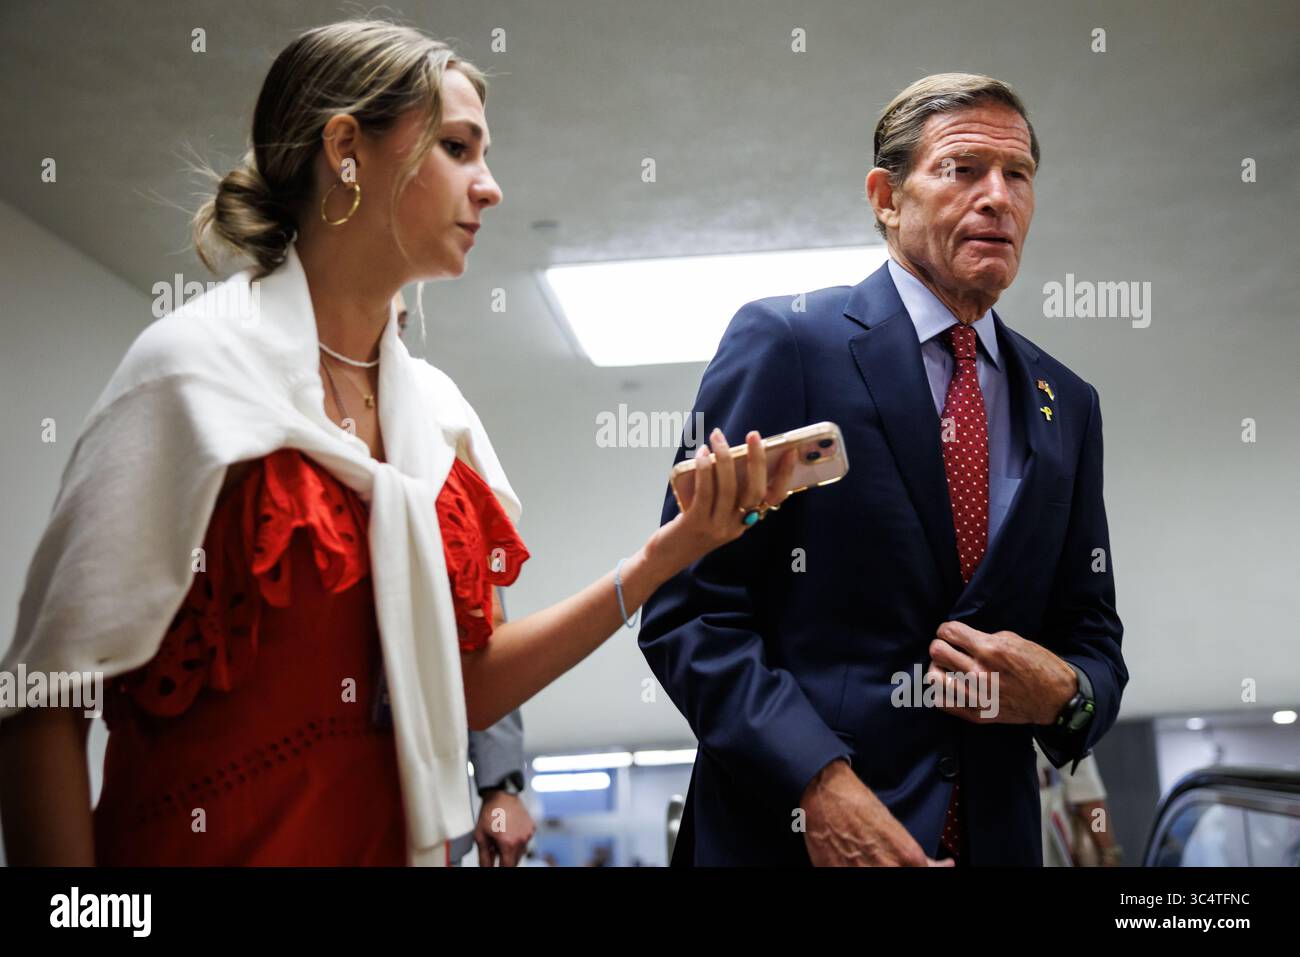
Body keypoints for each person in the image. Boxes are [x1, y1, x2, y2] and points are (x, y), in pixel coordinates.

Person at [0, 19, 794, 867]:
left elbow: (471, 684)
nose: (490, 188)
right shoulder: (190, 378)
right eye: (458, 147)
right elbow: (41, 703)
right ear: (346, 150)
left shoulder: (441, 421)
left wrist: (676, 549)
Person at [639, 72, 1127, 866]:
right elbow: (689, 608)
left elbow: (1093, 636)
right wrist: (817, 783)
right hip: (793, 837)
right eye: (963, 169)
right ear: (885, 197)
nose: (998, 197)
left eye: (1019, 176)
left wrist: (1065, 694)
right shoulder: (788, 343)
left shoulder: (1067, 403)